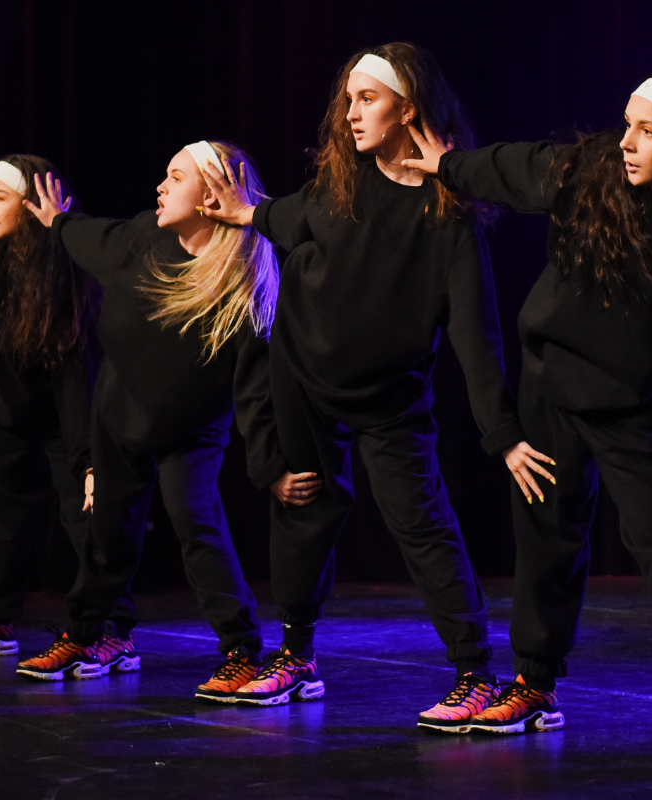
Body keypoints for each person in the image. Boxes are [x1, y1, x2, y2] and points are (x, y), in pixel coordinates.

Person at [402, 70, 652, 751]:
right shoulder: (594, 171)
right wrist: (448, 164)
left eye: (646, 131)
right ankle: (533, 686)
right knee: (544, 542)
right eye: (626, 123)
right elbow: (516, 168)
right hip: (548, 392)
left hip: (627, 407)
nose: (626, 142)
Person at [200, 44, 535, 725]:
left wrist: (502, 434)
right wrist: (248, 214)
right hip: (303, 376)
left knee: (422, 524)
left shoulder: (448, 213)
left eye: (367, 99)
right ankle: (295, 659)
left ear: (407, 107)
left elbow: (476, 336)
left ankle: (474, 672)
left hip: (388, 399)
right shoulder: (339, 183)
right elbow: (295, 219)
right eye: (348, 99)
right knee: (303, 504)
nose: (350, 113)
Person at [15, 141, 303, 701]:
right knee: (108, 532)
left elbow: (255, 392)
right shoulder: (144, 237)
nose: (160, 187)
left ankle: (241, 648)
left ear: (211, 196)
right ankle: (91, 635)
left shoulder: (241, 281)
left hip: (192, 429)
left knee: (197, 524)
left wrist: (271, 467)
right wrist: (58, 222)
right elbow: (89, 237)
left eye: (175, 177)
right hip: (121, 415)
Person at [0, 156, 137, 660]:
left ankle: (112, 628)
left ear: (29, 209)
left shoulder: (59, 273)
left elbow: (74, 376)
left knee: (84, 519)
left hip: (65, 421)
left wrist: (88, 458)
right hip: (5, 419)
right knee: (2, 517)